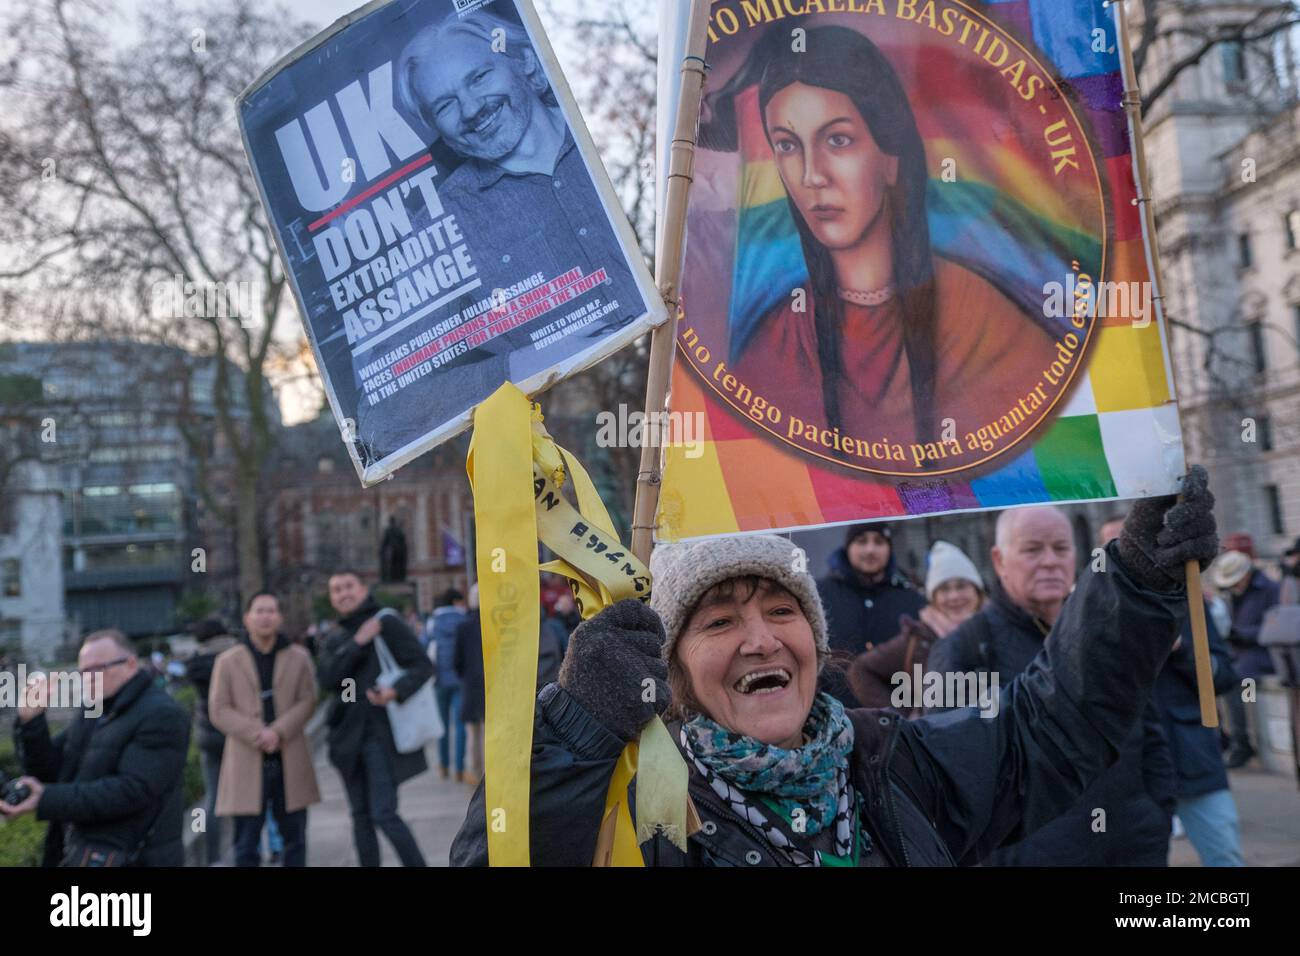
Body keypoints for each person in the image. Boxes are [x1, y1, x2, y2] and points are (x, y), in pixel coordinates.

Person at [450, 468, 1218, 867]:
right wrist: (577, 728)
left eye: (782, 612)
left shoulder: (891, 761)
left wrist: (1135, 581)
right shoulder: (642, 813)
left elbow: (1052, 726)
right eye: (719, 621)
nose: (761, 639)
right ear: (673, 669)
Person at [700, 25, 1056, 456]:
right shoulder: (777, 342)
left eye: (838, 140)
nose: (812, 175)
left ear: (891, 158)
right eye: (788, 146)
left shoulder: (984, 322)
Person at [353, 9, 646, 456]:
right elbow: (380, 418)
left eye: (479, 77)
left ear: (525, 64)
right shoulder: (442, 224)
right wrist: (520, 368)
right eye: (445, 105)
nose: (471, 110)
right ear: (436, 128)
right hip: (579, 465)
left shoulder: (628, 137)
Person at [927, 506, 1177, 866]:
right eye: (1032, 550)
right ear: (999, 560)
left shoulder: (1107, 630)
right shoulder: (962, 649)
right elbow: (952, 779)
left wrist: (1156, 816)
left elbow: (1150, 733)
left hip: (1133, 846)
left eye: (1061, 548)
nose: (1049, 562)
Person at [1099, 516, 1244, 866]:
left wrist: (1180, 650)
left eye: (1134, 542)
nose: (1127, 552)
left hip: (1194, 761)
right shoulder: (1093, 610)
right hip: (1130, 772)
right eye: (1116, 546)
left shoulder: (1190, 600)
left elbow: (1223, 677)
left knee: (1224, 854)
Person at [1, 629, 191, 867]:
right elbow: (52, 772)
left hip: (134, 858)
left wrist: (46, 799)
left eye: (97, 669)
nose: (89, 678)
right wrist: (31, 723)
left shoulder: (162, 715)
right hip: (85, 852)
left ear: (131, 664)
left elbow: (131, 791)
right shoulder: (95, 709)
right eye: (83, 672)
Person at [318, 570, 432, 867]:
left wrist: (395, 690)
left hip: (379, 735)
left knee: (384, 812)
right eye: (336, 589)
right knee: (360, 816)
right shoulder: (337, 636)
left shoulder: (386, 623)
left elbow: (422, 666)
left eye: (348, 587)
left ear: (363, 589)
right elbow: (329, 679)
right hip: (345, 739)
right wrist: (357, 643)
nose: (343, 594)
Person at [208, 591, 321, 868]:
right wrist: (257, 732)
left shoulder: (299, 657)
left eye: (271, 611)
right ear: (247, 618)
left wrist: (279, 731)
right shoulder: (228, 661)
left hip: (289, 756)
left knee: (295, 838)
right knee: (245, 843)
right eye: (259, 611)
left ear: (280, 617)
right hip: (246, 757)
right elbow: (219, 709)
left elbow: (308, 699)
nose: (265, 617)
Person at [848, 540, 984, 714]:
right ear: (933, 598)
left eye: (961, 586)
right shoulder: (919, 638)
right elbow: (860, 670)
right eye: (944, 589)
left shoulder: (998, 627)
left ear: (977, 591)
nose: (954, 596)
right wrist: (899, 719)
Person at [816, 523, 925, 706]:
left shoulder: (912, 601)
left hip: (897, 719)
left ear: (889, 548)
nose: (870, 549)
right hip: (837, 715)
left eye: (879, 542)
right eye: (861, 541)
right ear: (848, 547)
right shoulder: (821, 595)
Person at [1211, 548, 1280, 767]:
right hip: (1239, 654)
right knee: (1213, 678)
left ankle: (1243, 742)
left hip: (1261, 657)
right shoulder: (1233, 594)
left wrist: (1239, 634)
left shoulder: (1270, 590)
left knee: (1240, 685)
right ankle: (1223, 737)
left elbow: (1274, 627)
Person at [184, 617, 239, 865]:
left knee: (213, 801)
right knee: (245, 796)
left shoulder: (196, 663)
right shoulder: (237, 657)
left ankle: (213, 858)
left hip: (208, 737)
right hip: (237, 735)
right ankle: (247, 850)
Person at [429, 587, 468, 782]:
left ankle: (443, 765)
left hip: (439, 679)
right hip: (460, 678)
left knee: (442, 725)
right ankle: (459, 769)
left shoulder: (432, 623)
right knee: (460, 725)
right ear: (455, 602)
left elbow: (423, 646)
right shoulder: (464, 620)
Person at [454, 584, 486, 787]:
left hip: (470, 686)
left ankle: (474, 772)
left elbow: (456, 661)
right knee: (488, 732)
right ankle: (488, 772)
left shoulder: (463, 626)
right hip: (492, 685)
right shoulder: (497, 623)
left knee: (472, 734)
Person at [542, 590, 581, 660]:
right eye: (564, 604)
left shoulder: (577, 618)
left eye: (568, 604)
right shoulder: (555, 623)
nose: (567, 606)